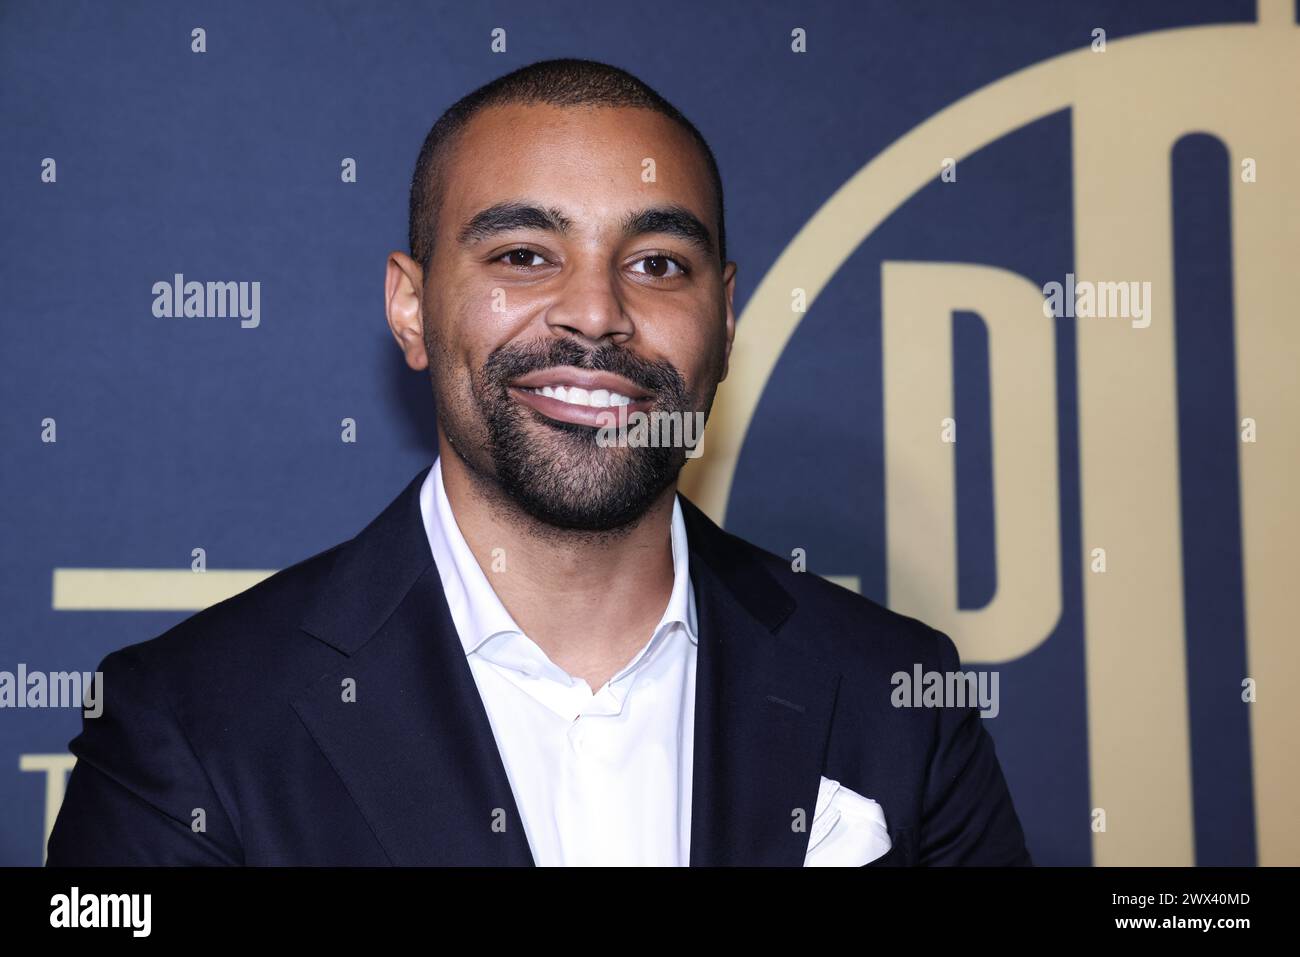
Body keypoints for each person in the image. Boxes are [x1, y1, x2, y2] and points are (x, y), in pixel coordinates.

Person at [46, 57, 1031, 866]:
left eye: (657, 264)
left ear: (724, 321)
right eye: (522, 254)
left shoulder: (894, 695)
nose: (597, 312)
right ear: (410, 306)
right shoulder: (190, 725)